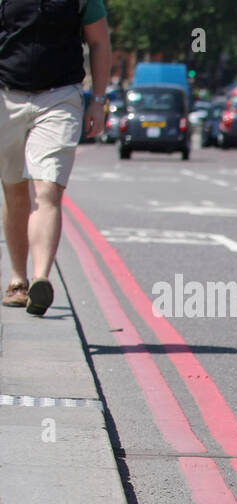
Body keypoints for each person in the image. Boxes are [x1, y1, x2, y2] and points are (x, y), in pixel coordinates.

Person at [0, 0, 110, 315]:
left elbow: (100, 42)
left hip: (59, 98)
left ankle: (40, 278)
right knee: (14, 186)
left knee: (48, 189)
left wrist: (98, 101)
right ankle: (18, 280)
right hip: (6, 96)